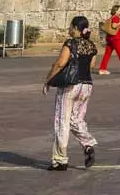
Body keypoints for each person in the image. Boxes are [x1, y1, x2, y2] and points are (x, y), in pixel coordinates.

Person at [42, 15, 98, 171]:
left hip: (70, 87)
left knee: (62, 120)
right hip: (86, 86)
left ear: (75, 29)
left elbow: (60, 63)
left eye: (70, 27)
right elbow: (92, 66)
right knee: (76, 119)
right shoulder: (91, 46)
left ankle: (60, 159)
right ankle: (88, 143)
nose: (68, 30)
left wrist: (48, 80)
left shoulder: (70, 44)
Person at [97, 4, 120, 75]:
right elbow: (114, 25)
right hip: (116, 39)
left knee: (107, 54)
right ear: (116, 11)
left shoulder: (112, 17)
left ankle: (102, 69)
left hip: (110, 38)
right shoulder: (116, 18)